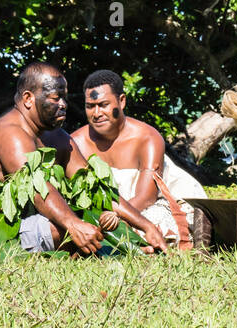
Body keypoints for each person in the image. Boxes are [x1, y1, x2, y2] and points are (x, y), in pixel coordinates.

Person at [0, 63, 167, 255]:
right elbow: (38, 189)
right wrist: (74, 225)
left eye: (64, 98)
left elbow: (95, 188)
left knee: (93, 215)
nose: (63, 104)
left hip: (31, 225)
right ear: (28, 99)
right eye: (55, 98)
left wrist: (145, 225)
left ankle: (129, 247)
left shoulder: (56, 137)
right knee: (72, 225)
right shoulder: (11, 134)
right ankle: (118, 249)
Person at [71, 69, 205, 245]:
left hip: (159, 202)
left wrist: (117, 216)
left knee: (157, 225)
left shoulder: (147, 138)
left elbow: (146, 196)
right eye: (90, 106)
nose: (96, 113)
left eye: (103, 105)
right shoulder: (76, 142)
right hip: (110, 212)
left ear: (122, 101)